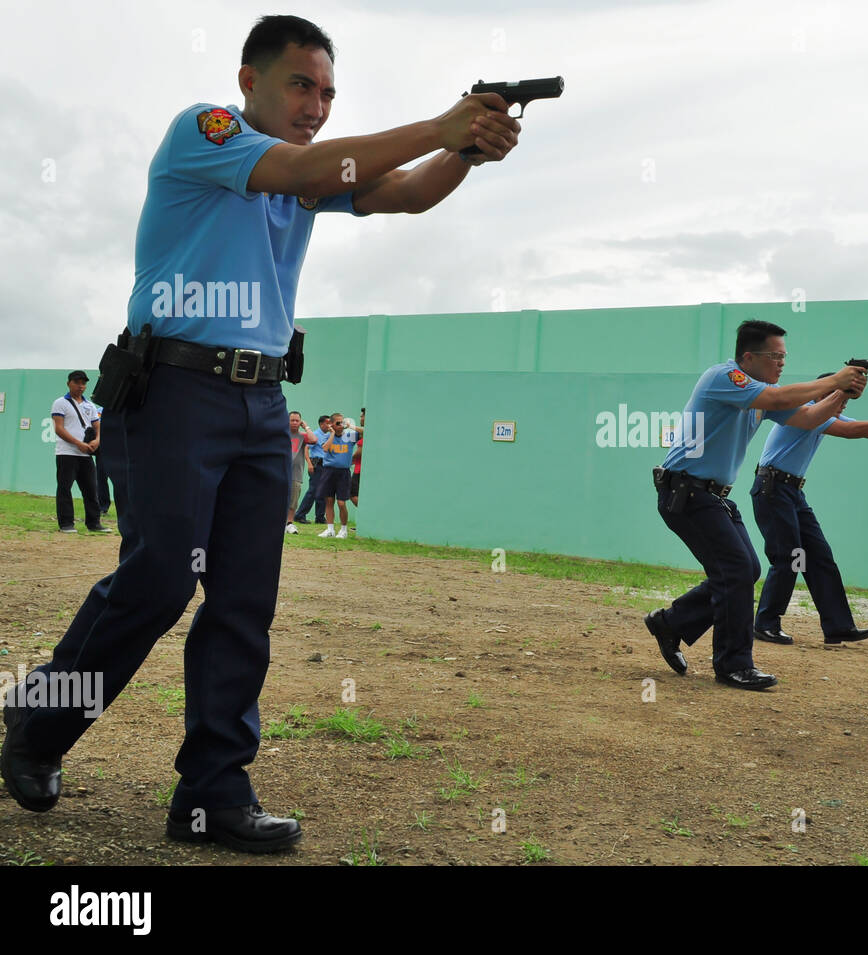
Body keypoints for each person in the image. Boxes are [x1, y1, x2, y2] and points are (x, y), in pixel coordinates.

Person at [0, 14, 521, 853]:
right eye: (300, 86)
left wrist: (466, 149)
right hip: (171, 390)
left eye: (327, 93)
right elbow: (310, 163)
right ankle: (39, 722)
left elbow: (411, 191)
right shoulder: (207, 132)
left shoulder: (306, 179)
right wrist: (439, 123)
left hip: (260, 405)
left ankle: (212, 794)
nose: (315, 105)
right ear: (250, 82)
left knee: (244, 601)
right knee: (162, 579)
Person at [645, 320, 866, 690]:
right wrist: (834, 381)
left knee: (745, 569)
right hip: (686, 492)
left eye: (784, 357)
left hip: (710, 496)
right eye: (775, 356)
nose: (781, 363)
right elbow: (780, 400)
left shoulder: (762, 394)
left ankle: (671, 622)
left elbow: (808, 417)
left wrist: (840, 395)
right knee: (734, 569)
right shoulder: (724, 378)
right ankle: (734, 665)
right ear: (749, 356)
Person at [751, 384, 868, 645]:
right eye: (840, 400)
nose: (842, 407)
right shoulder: (806, 411)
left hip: (791, 492)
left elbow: (864, 429)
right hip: (773, 489)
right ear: (822, 397)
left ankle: (838, 626)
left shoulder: (824, 416)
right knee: (791, 557)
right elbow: (853, 431)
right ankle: (766, 623)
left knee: (819, 556)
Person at [49, 371, 106, 534]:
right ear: (69, 383)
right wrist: (77, 443)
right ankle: (66, 523)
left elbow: (97, 426)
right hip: (66, 453)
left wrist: (97, 440)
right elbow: (59, 428)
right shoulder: (60, 403)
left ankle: (94, 523)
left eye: (83, 383)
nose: (81, 386)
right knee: (65, 488)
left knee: (91, 489)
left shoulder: (90, 405)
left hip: (86, 454)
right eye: (77, 382)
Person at [317, 413, 361, 539]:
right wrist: (331, 433)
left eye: (342, 422)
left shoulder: (349, 436)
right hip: (329, 471)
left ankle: (343, 530)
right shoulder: (327, 436)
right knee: (329, 501)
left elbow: (365, 432)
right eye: (338, 423)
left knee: (341, 503)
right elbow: (325, 449)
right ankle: (330, 529)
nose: (341, 425)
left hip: (343, 473)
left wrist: (350, 426)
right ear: (331, 424)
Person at [293, 413, 331, 524]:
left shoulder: (329, 435)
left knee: (323, 492)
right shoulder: (315, 434)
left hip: (326, 464)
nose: (329, 425)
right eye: (327, 423)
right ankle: (300, 515)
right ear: (321, 424)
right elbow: (306, 449)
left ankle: (320, 517)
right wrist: (309, 463)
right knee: (313, 491)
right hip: (316, 463)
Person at [285, 410, 317, 534]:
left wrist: (306, 427)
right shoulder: (282, 434)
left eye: (297, 420)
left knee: (293, 500)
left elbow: (314, 440)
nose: (294, 422)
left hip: (295, 473)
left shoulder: (303, 436)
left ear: (300, 422)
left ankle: (289, 524)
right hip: (280, 472)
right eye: (292, 420)